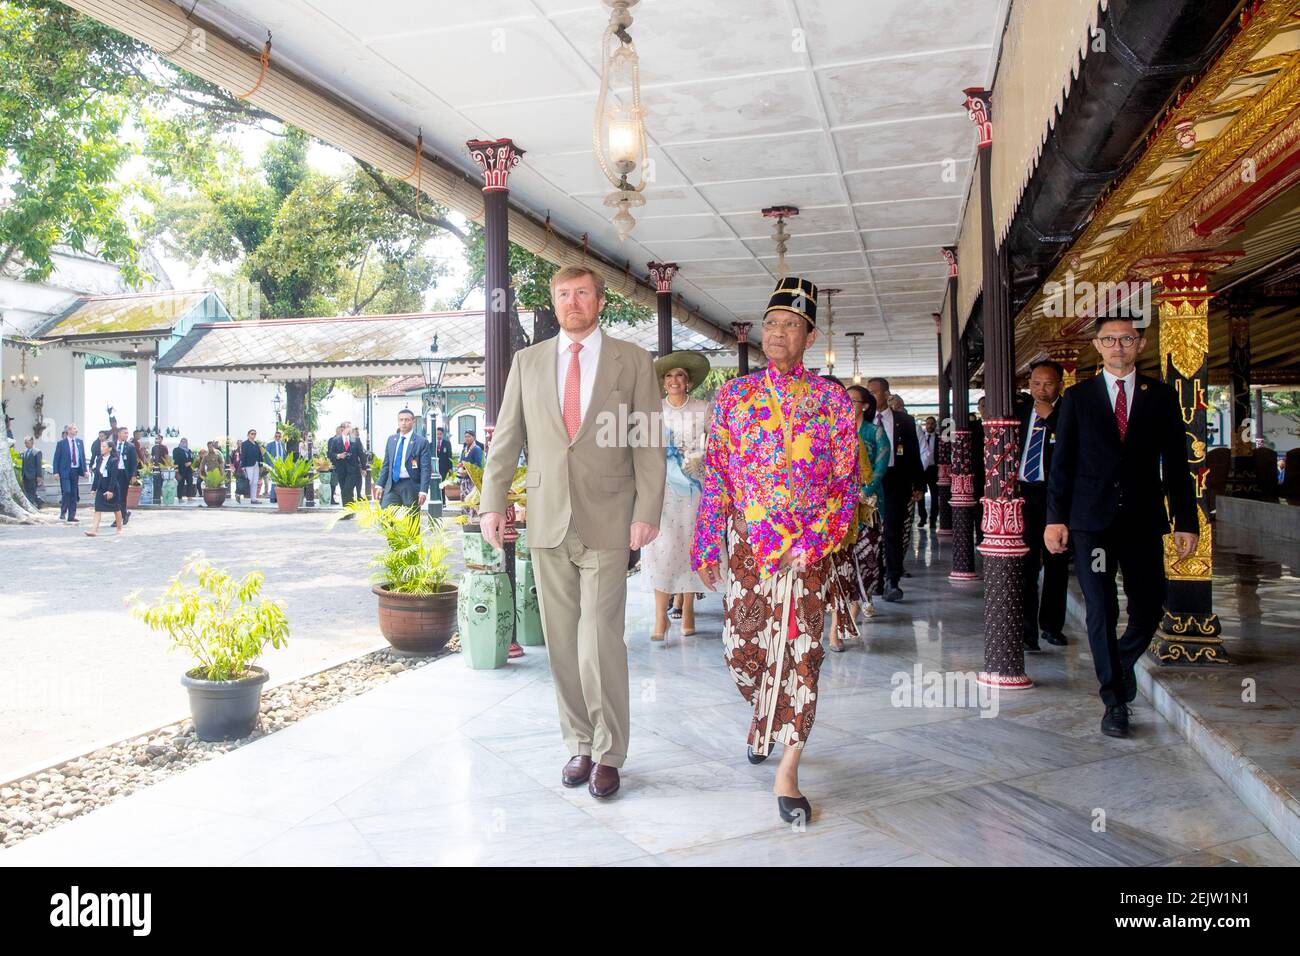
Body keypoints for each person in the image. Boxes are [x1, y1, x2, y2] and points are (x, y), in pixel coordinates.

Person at [479, 265, 665, 801]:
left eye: (582, 293)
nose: (572, 302)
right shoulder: (528, 361)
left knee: (598, 639)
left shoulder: (632, 361)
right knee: (561, 642)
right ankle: (579, 743)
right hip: (547, 518)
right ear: (554, 302)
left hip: (609, 518)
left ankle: (609, 752)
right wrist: (493, 502)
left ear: (599, 302)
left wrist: (647, 508)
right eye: (563, 294)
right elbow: (507, 437)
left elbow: (648, 440)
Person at [693, 277, 856, 825]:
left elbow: (845, 484)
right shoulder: (735, 396)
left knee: (801, 655)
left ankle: (788, 768)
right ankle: (764, 712)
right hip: (749, 550)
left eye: (790, 325)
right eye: (771, 324)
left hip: (808, 553)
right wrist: (705, 543)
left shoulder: (832, 399)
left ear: (810, 335)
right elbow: (716, 476)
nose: (778, 333)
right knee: (742, 648)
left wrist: (812, 544)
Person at [1046, 315, 1198, 738]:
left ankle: (1121, 661)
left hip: (1142, 521)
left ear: (1140, 343)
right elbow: (1062, 467)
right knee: (1101, 606)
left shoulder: (1161, 397)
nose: (1118, 346)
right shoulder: (1077, 398)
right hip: (1091, 524)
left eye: (1126, 339)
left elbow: (1177, 465)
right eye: (1109, 339)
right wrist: (1055, 520)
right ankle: (1114, 699)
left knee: (1149, 605)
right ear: (1097, 345)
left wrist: (1186, 521)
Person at [642, 351, 712, 642]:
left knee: (689, 546)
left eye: (680, 375)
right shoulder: (653, 410)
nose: (674, 381)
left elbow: (718, 445)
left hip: (694, 486)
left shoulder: (703, 408)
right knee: (662, 547)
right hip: (663, 487)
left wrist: (701, 459)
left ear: (689, 381)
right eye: (669, 376)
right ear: (663, 381)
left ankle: (688, 610)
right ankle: (660, 615)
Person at [1019, 360, 1069, 652]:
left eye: (1048, 384)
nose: (1041, 389)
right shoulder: (1022, 411)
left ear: (1059, 384)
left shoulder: (1068, 412)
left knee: (1056, 561)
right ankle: (1027, 633)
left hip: (1057, 495)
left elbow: (1079, 446)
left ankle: (1051, 625)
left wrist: (1052, 417)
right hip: (1027, 493)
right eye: (1036, 383)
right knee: (1025, 563)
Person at [838, 385, 890, 634]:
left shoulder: (874, 432)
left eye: (853, 400)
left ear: (865, 406)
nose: (847, 403)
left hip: (868, 506)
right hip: (842, 506)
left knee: (865, 556)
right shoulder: (837, 432)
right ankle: (844, 607)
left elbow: (881, 464)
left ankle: (860, 602)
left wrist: (866, 490)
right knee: (844, 559)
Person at [866, 378, 923, 601]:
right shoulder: (864, 421)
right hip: (871, 483)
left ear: (887, 394)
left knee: (892, 531)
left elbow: (913, 455)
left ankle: (892, 579)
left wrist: (918, 484)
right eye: (868, 393)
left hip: (896, 481)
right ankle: (876, 579)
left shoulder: (904, 421)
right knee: (873, 533)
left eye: (875, 392)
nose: (872, 397)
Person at [375, 409, 430, 511]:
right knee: (386, 517)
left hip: (411, 485)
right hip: (392, 485)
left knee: (411, 522)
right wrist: (380, 484)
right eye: (401, 420)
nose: (403, 423)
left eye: (407, 420)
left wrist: (423, 491)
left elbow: (425, 468)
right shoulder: (391, 439)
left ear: (413, 421)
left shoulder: (421, 442)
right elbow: (386, 464)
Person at [85, 440, 125, 536]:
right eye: (101, 446)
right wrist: (93, 489)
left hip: (112, 487)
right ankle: (94, 530)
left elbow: (114, 476)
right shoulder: (99, 459)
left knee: (116, 509)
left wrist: (110, 490)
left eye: (104, 446)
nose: (101, 448)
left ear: (110, 448)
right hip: (101, 487)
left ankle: (119, 528)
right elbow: (97, 475)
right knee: (97, 509)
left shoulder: (114, 460)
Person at [52, 424, 88, 523]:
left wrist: (85, 470)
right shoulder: (61, 443)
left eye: (76, 428)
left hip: (75, 471)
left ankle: (72, 515)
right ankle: (63, 511)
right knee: (67, 491)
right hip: (64, 471)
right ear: (68, 430)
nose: (76, 430)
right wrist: (55, 472)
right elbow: (56, 459)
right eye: (74, 429)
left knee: (74, 493)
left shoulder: (79, 442)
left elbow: (82, 457)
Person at [327, 422, 362, 506]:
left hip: (352, 470)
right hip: (341, 469)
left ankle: (349, 510)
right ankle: (347, 511)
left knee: (348, 489)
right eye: (347, 427)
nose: (349, 429)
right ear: (342, 429)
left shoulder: (355, 439)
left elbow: (361, 454)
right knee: (344, 490)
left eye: (350, 427)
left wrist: (363, 467)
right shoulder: (335, 440)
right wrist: (338, 456)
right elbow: (330, 454)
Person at [113, 426, 139, 525]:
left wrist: (133, 475)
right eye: (125, 433)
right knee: (115, 496)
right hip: (114, 473)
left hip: (124, 474)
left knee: (122, 496)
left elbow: (133, 463)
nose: (126, 435)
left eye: (127, 433)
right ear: (119, 434)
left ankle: (119, 518)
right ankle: (124, 514)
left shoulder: (130, 446)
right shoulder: (112, 445)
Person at [918, 416, 939, 531]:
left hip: (934, 469)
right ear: (925, 425)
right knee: (920, 494)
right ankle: (922, 518)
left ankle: (933, 520)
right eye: (928, 423)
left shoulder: (939, 439)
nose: (930, 425)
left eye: (932, 423)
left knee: (935, 496)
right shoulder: (921, 438)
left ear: (935, 425)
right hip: (922, 469)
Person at [457, 430, 483, 502]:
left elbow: (477, 464)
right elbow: (462, 461)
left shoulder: (477, 449)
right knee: (464, 499)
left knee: (472, 500)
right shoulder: (464, 449)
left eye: (469, 436)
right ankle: (465, 513)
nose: (467, 438)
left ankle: (472, 513)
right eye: (465, 437)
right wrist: (460, 466)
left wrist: (467, 471)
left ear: (474, 437)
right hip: (464, 479)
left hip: (473, 479)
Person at [239, 429, 263, 504]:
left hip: (256, 464)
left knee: (255, 482)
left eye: (255, 434)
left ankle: (253, 499)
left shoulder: (256, 443)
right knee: (248, 481)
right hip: (248, 464)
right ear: (248, 435)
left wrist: (261, 464)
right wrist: (243, 466)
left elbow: (260, 454)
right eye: (252, 434)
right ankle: (238, 493)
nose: (253, 435)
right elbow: (243, 455)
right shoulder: (245, 444)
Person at [264, 431, 288, 503]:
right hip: (273, 465)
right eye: (276, 436)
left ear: (281, 437)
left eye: (279, 436)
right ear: (274, 437)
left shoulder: (283, 445)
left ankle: (278, 497)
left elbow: (285, 455)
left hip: (281, 466)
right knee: (274, 481)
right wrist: (271, 464)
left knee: (280, 481)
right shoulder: (270, 444)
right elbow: (267, 455)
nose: (277, 438)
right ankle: (272, 497)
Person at [20, 436, 42, 507]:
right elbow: (23, 464)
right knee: (27, 492)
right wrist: (22, 474)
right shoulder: (24, 452)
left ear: (32, 442)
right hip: (25, 475)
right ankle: (39, 501)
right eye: (25, 443)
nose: (26, 444)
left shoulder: (37, 452)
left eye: (27, 443)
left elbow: (38, 465)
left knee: (32, 492)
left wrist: (39, 476)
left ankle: (32, 505)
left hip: (33, 475)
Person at [434, 427, 454, 503]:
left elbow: (450, 456)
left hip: (444, 467)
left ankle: (443, 501)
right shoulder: (432, 443)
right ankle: (437, 499)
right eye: (437, 434)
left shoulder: (447, 443)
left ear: (442, 434)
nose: (439, 436)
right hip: (435, 468)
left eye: (440, 434)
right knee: (436, 484)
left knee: (442, 483)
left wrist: (450, 468)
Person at [350, 426, 367, 501]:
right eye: (356, 433)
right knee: (356, 480)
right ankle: (356, 495)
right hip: (354, 465)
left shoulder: (356, 440)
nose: (357, 435)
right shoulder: (355, 440)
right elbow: (361, 454)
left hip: (356, 465)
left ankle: (357, 495)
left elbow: (362, 453)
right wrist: (364, 467)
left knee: (358, 480)